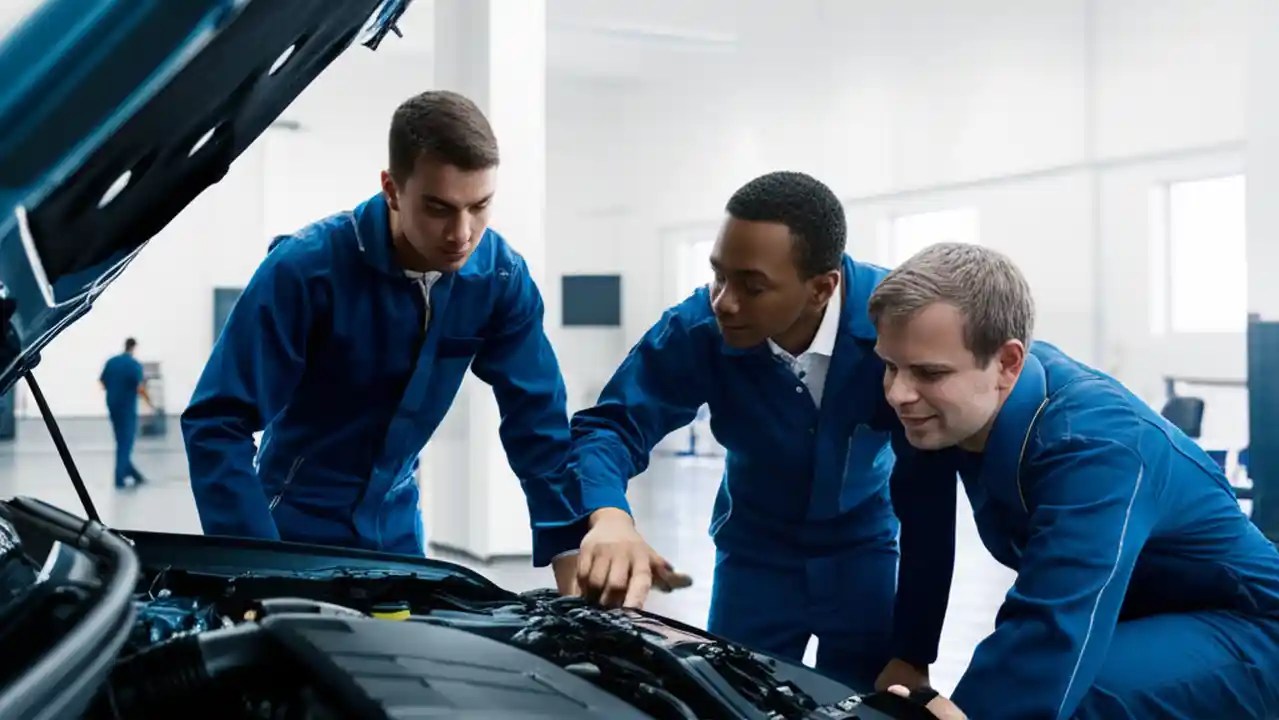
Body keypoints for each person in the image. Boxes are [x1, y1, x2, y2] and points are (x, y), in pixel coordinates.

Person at [181, 91, 660, 594]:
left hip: (398, 533)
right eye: (438, 208)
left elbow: (536, 422)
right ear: (392, 189)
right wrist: (257, 565)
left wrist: (570, 555)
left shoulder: (498, 276)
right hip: (293, 532)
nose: (462, 233)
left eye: (480, 206)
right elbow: (218, 422)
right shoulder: (305, 270)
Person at [567, 171, 955, 690]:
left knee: (869, 702)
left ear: (822, 288)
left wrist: (913, 648)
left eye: (751, 286)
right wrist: (610, 518)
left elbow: (929, 493)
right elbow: (610, 426)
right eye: (718, 275)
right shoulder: (699, 329)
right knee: (732, 697)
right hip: (754, 559)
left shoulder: (894, 327)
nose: (725, 301)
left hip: (863, 556)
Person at [869, 242, 1279, 720]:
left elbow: (1052, 626)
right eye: (889, 365)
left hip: (1249, 628)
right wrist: (909, 655)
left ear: (1007, 362)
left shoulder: (1098, 447)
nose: (898, 393)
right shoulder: (954, 405)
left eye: (928, 372)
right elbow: (924, 529)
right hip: (1141, 617)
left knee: (1079, 694)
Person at [100, 337, 153, 488]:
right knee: (126, 443)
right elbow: (140, 388)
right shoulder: (134, 365)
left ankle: (135, 475)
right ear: (134, 347)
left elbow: (102, 382)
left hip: (112, 406)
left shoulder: (111, 362)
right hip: (127, 409)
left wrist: (114, 390)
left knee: (120, 441)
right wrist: (150, 403)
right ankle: (119, 478)